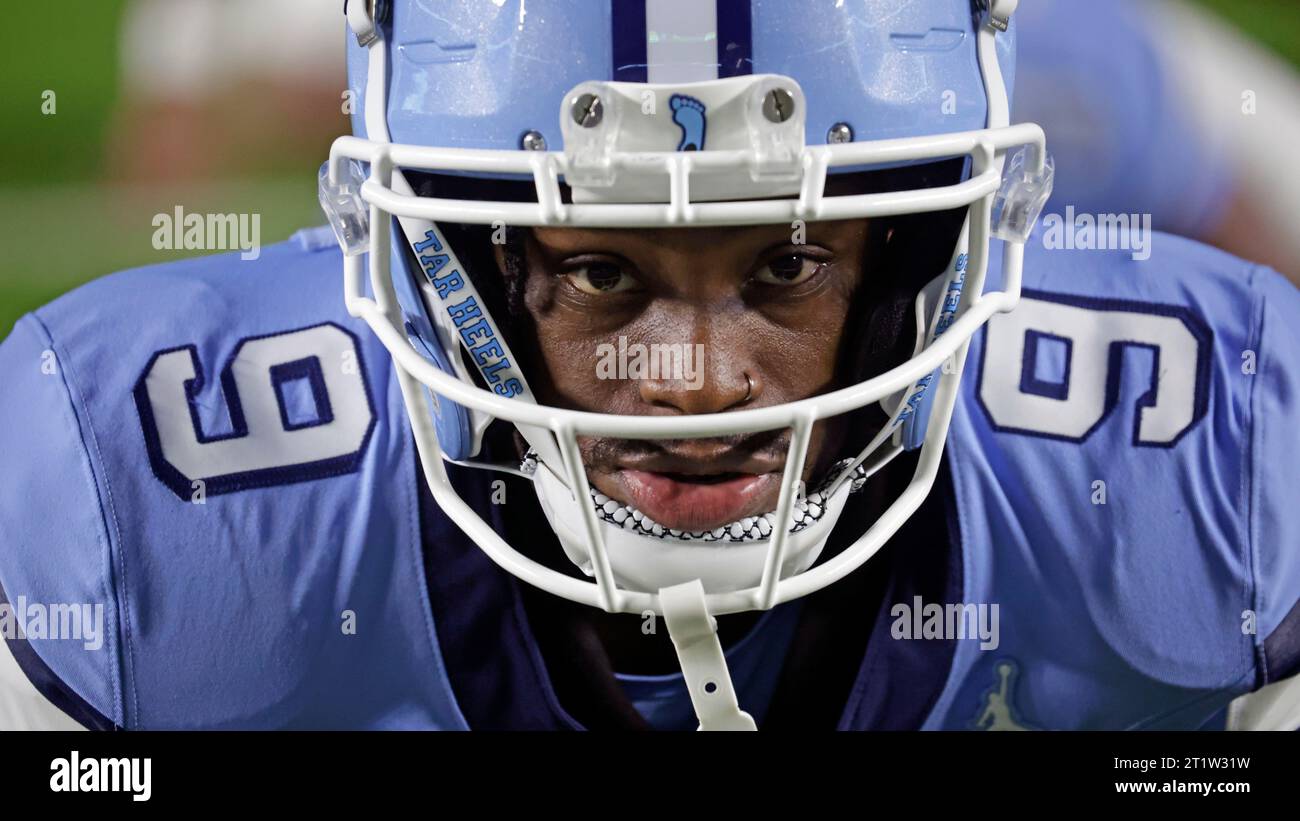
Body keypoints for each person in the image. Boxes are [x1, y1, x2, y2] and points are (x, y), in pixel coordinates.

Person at [1, 0, 1296, 731]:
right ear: (445, 260)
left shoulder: (1217, 442)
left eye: (784, 266)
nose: (692, 378)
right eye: (605, 272)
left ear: (920, 251)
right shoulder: (141, 483)